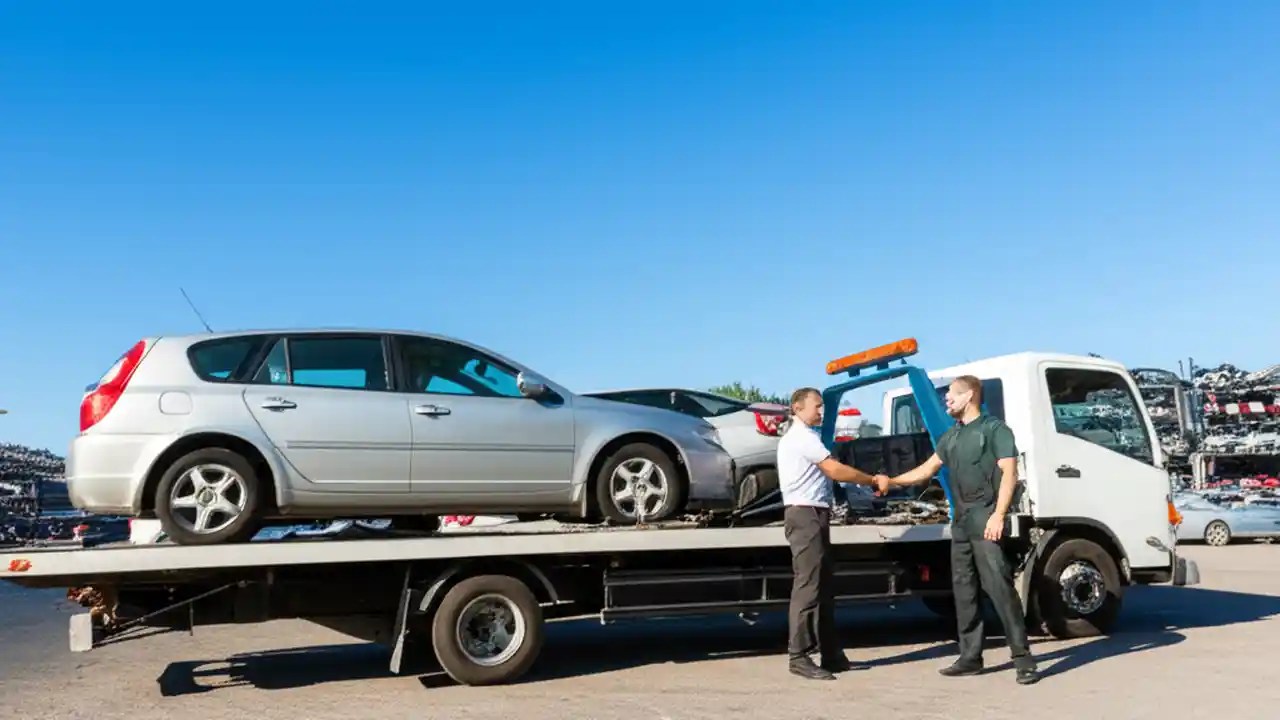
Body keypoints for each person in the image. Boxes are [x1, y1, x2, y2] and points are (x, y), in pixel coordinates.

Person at [886, 375, 1040, 685]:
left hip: (985, 517)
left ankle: (1023, 659)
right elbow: (926, 470)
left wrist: (999, 515)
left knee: (999, 587)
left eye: (951, 396)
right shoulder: (950, 437)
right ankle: (971, 657)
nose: (946, 401)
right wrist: (890, 481)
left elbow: (1010, 472)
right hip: (960, 522)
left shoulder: (995, 430)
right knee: (964, 591)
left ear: (969, 395)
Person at [776, 386, 890, 680]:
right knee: (809, 587)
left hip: (815, 514)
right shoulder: (801, 437)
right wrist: (871, 479)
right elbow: (835, 470)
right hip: (805, 516)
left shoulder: (807, 435)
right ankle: (799, 657)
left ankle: (830, 653)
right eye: (816, 406)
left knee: (823, 585)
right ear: (798, 407)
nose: (821, 411)